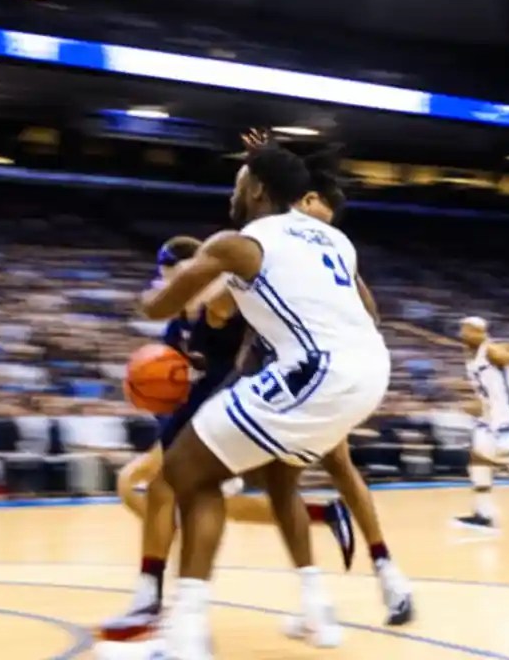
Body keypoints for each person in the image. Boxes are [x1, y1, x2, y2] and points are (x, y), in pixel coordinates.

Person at [137, 143, 390, 658]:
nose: (231, 190)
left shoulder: (238, 243)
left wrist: (157, 287)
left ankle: (186, 637)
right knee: (277, 481)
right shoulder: (335, 239)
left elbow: (157, 307)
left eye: (237, 181)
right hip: (371, 371)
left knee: (185, 473)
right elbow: (372, 310)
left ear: (255, 189)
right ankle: (316, 607)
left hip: (319, 371)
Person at [102, 232, 355, 642]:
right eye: (163, 276)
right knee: (178, 493)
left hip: (243, 405)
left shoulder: (221, 303)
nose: (165, 282)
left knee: (170, 489)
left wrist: (192, 285)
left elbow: (228, 293)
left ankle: (167, 612)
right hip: (203, 407)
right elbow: (175, 370)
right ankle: (314, 594)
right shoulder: (178, 323)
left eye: (173, 275)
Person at [453, 316, 509, 531]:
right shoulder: (470, 358)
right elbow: (487, 391)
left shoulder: (489, 349)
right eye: (462, 329)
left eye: (467, 329)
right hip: (490, 418)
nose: (462, 333)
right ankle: (483, 515)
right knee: (477, 459)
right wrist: (472, 407)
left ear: (480, 331)